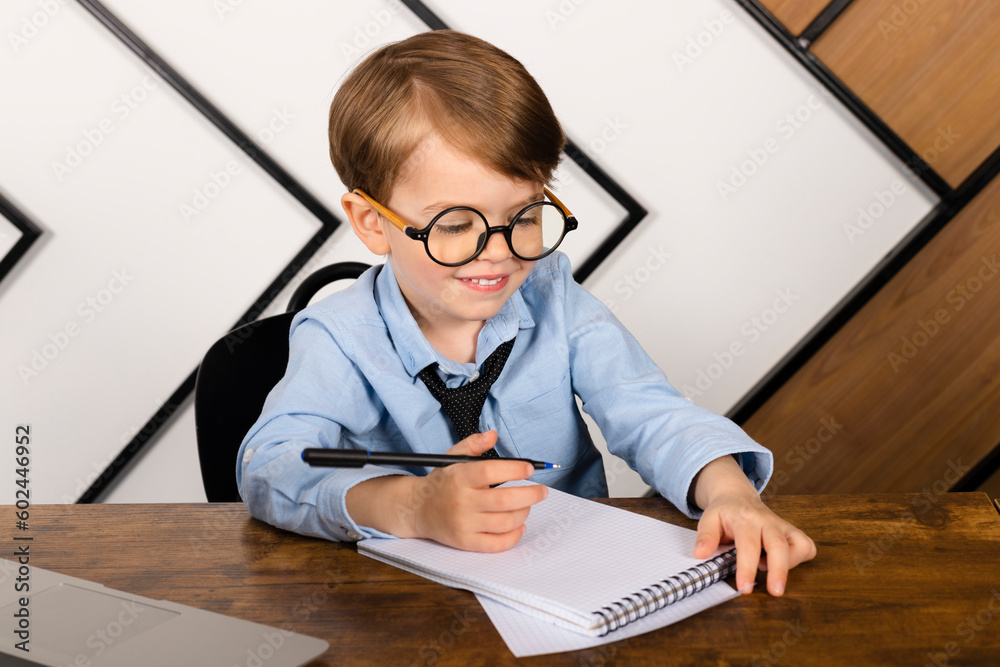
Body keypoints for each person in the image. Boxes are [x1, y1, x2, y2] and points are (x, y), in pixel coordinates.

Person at [237, 30, 815, 597]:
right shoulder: (338, 337)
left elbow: (648, 412)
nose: (499, 250)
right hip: (409, 600)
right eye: (455, 224)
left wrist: (728, 491)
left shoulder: (553, 296)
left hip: (578, 580)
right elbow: (271, 468)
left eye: (525, 215)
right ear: (371, 222)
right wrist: (410, 506)